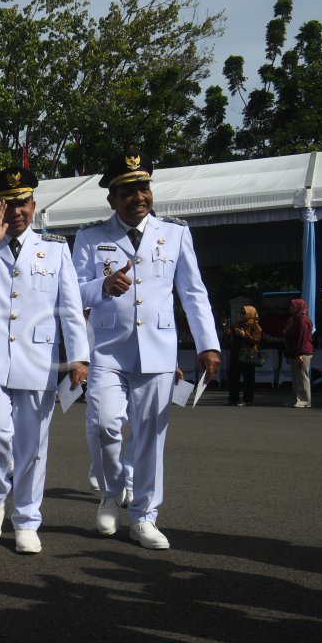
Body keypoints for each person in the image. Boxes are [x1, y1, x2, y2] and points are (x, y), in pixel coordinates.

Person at [72, 152, 221, 550]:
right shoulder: (91, 237)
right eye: (128, 192)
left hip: (157, 348)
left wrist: (208, 344)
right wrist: (102, 287)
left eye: (143, 188)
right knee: (104, 424)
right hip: (106, 348)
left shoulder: (174, 233)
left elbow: (192, 291)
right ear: (112, 199)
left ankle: (144, 515)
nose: (138, 197)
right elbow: (73, 294)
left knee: (150, 436)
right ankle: (110, 491)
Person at [0, 166, 89, 554]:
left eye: (22, 204)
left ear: (33, 205)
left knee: (32, 445)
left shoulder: (56, 248)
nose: (15, 212)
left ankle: (27, 517)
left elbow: (71, 308)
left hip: (38, 360)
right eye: (6, 204)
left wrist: (78, 357)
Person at [225, 305, 262, 406]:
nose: (241, 315)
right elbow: (228, 333)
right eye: (241, 312)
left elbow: (255, 341)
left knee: (248, 379)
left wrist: (244, 335)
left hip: (248, 355)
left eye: (244, 313)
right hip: (236, 355)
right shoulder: (237, 324)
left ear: (250, 313)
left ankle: (247, 400)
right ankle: (233, 399)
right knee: (233, 378)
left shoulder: (255, 326)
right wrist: (227, 329)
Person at [283, 298, 315, 407]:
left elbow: (302, 338)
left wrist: (299, 354)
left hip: (302, 351)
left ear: (298, 307)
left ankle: (305, 400)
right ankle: (297, 399)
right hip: (296, 351)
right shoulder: (294, 319)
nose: (290, 308)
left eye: (293, 306)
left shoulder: (302, 319)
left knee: (302, 376)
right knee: (295, 377)